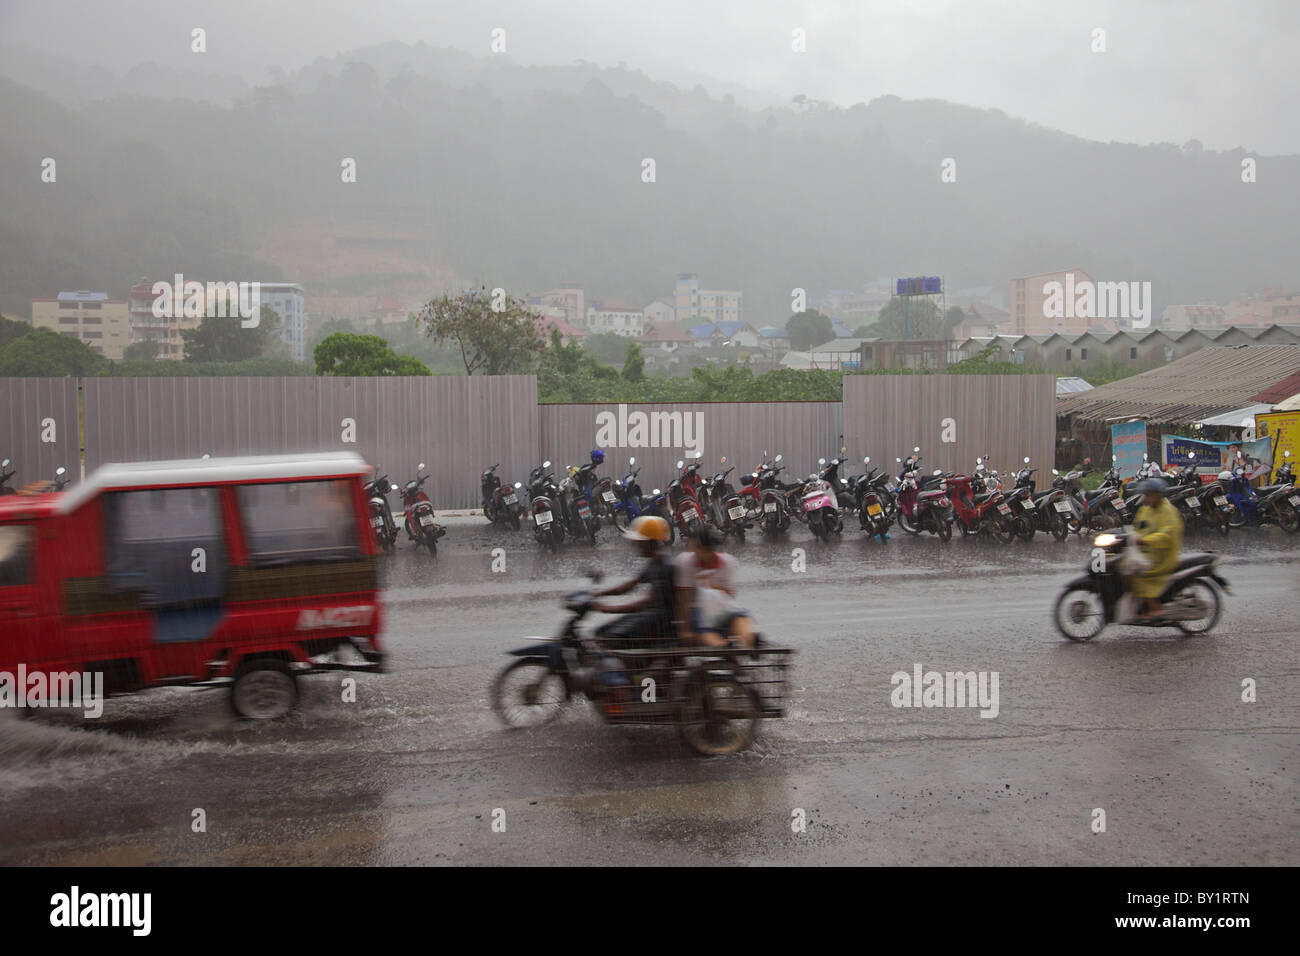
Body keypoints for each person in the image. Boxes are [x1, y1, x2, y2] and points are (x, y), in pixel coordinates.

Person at [590, 515, 678, 650]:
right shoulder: (654, 563)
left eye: (639, 542)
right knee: (601, 631)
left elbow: (647, 602)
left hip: (660, 619)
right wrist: (599, 593)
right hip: (651, 614)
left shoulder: (665, 566)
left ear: (649, 542)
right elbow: (631, 584)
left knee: (611, 637)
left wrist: (610, 609)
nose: (636, 545)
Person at [673, 526, 759, 649]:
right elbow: (682, 599)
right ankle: (723, 646)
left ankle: (750, 639)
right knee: (705, 631)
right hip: (698, 611)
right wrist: (684, 629)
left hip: (722, 609)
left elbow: (730, 594)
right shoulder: (685, 562)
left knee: (739, 618)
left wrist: (713, 587)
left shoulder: (728, 563)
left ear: (708, 549)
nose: (693, 551)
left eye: (697, 548)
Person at [1130, 477, 1184, 620]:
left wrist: (1144, 540)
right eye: (1145, 495)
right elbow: (1137, 527)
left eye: (1148, 495)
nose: (1145, 498)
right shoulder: (1145, 510)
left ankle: (1156, 608)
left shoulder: (1168, 511)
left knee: (1137, 573)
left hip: (1163, 555)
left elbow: (1167, 535)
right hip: (1147, 551)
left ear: (1157, 495)